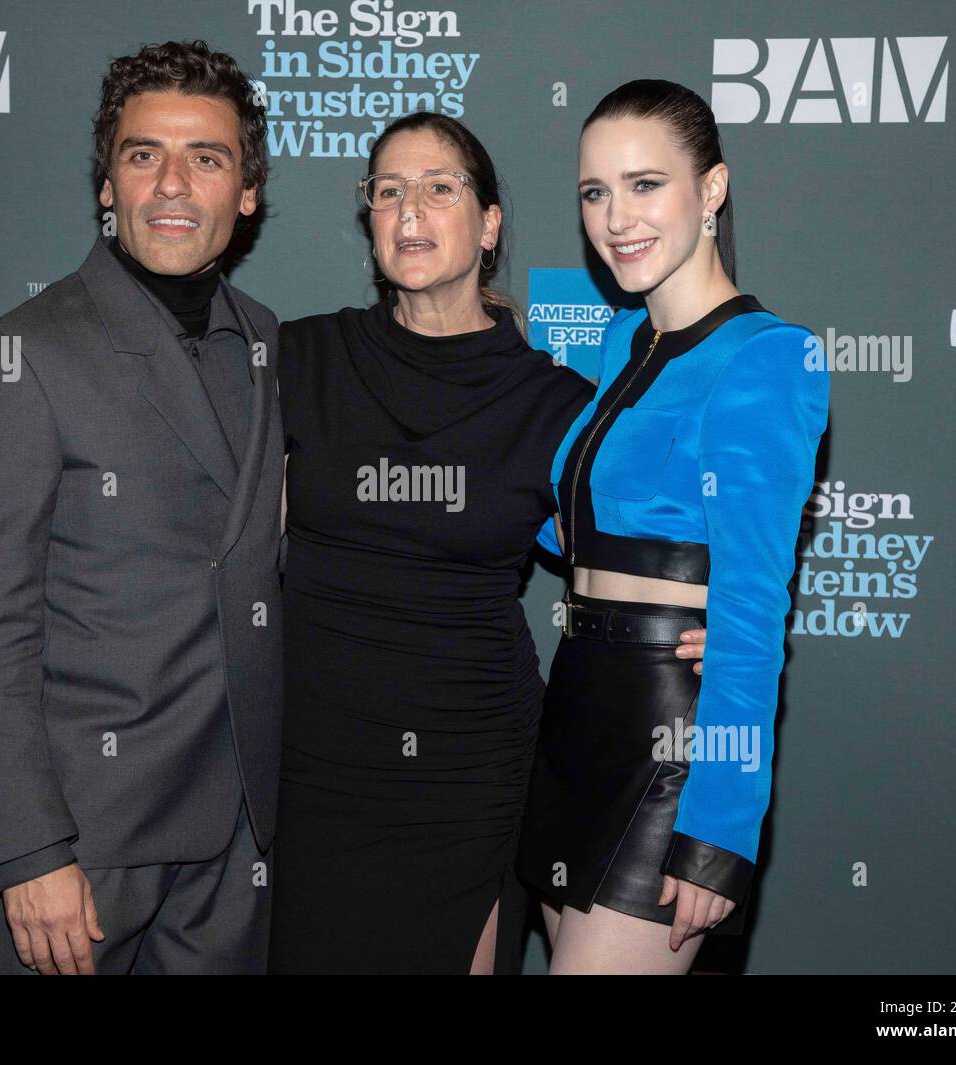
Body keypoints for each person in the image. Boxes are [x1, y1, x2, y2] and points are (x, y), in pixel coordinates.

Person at [266, 111, 707, 975]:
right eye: (387, 192)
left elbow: (648, 553)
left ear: (491, 223)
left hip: (469, 781)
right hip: (310, 772)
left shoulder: (556, 405)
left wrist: (718, 624)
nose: (409, 212)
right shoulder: (298, 359)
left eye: (438, 188)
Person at [0, 40, 284, 974]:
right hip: (82, 848)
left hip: (234, 851)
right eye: (143, 155)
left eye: (206, 159)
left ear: (244, 194)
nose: (172, 183)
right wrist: (27, 851)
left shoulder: (269, 346)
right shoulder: (21, 357)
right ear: (108, 182)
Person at [516, 79, 830, 974]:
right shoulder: (624, 341)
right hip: (575, 707)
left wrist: (720, 823)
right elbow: (583, 527)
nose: (617, 217)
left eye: (646, 184)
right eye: (595, 191)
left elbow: (749, 607)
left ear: (714, 190)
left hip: (672, 738)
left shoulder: (767, 358)